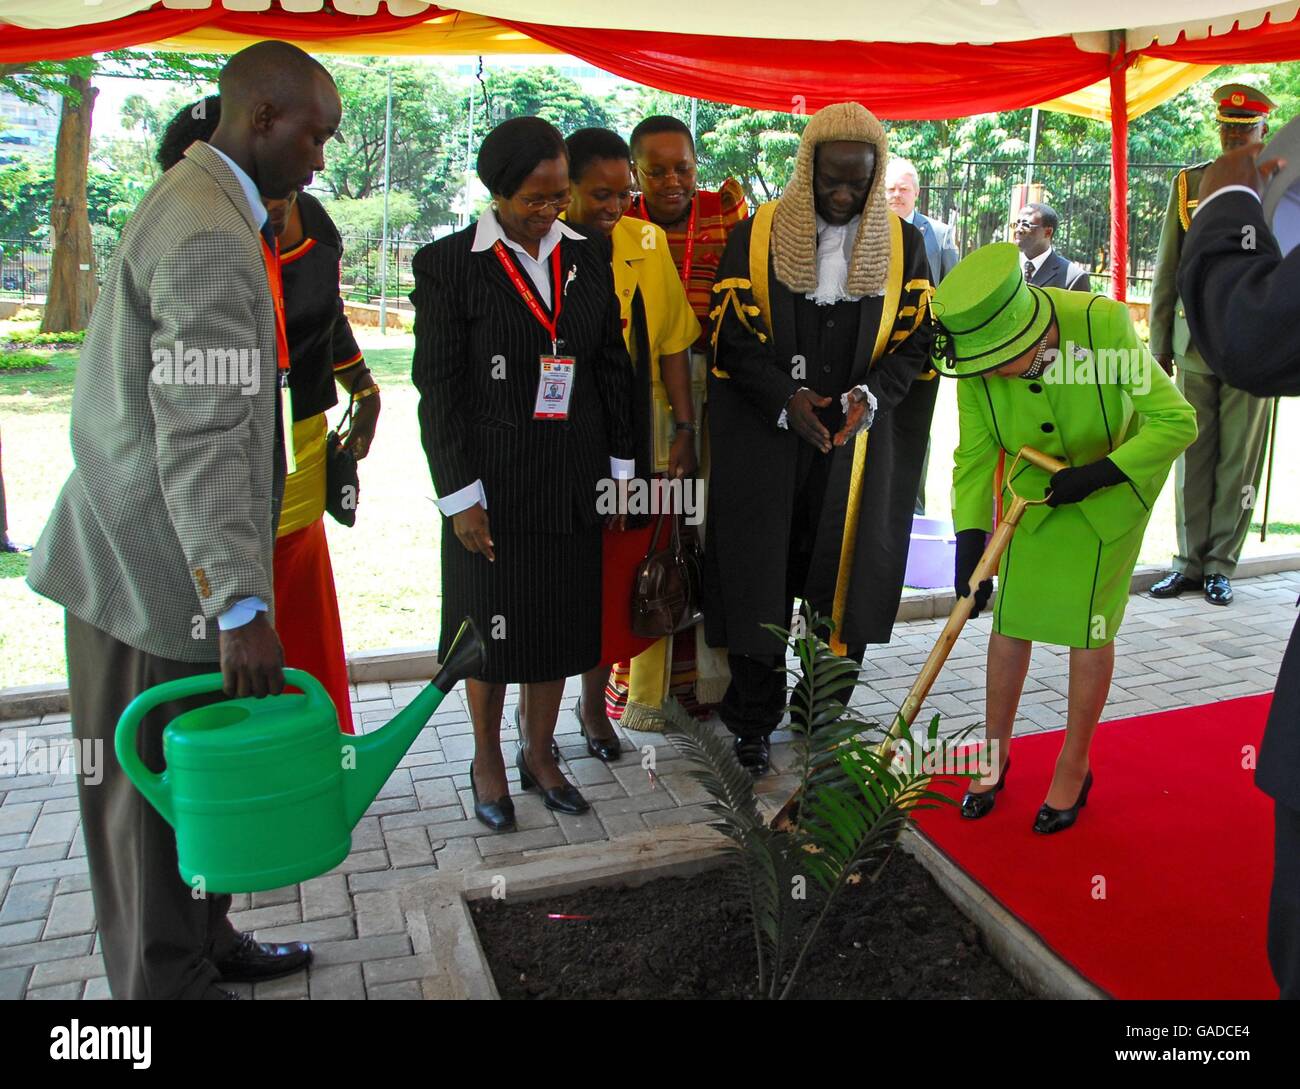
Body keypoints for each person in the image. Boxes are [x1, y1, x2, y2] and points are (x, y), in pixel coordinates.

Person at [25, 40, 336, 999]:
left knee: (198, 782)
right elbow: (203, 434)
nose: (321, 159)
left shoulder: (203, 200)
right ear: (262, 118)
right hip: (153, 574)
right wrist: (239, 603)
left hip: (159, 559)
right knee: (152, 803)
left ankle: (207, 937)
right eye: (315, 136)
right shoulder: (207, 231)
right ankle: (164, 989)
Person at [411, 117, 634, 831]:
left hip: (573, 475)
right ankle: (486, 759)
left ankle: (540, 753)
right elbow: (439, 390)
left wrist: (621, 470)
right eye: (534, 199)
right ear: (498, 193)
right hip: (493, 485)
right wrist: (459, 497)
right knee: (489, 627)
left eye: (559, 196)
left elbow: (611, 366)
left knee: (559, 622)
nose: (549, 211)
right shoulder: (450, 264)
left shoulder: (588, 255)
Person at [704, 102, 937, 777]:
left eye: (857, 183)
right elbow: (728, 336)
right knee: (760, 576)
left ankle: (823, 713)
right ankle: (752, 721)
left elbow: (918, 341)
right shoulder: (755, 236)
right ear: (807, 170)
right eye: (831, 180)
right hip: (769, 439)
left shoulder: (904, 244)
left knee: (844, 575)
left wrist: (870, 396)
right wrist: (785, 398)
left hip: (855, 444)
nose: (842, 195)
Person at [937, 242, 1196, 832]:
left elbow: (1177, 420)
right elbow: (973, 458)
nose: (990, 373)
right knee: (1010, 622)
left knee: (1089, 627)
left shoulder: (1102, 326)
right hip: (1031, 499)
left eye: (1002, 360)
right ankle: (994, 754)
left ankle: (1074, 764)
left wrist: (1098, 475)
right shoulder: (975, 358)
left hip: (1109, 496)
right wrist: (971, 545)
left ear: (1031, 330)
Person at [158, 96, 381, 736]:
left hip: (299, 452)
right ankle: (233, 757)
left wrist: (364, 388)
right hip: (214, 468)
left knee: (298, 608)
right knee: (224, 618)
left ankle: (315, 746)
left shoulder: (314, 223)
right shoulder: (197, 236)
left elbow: (325, 316)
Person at [1176, 132, 1300, 998]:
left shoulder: (1221, 186)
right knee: (1200, 463)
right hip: (1200, 349)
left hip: (1241, 324)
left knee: (1233, 471)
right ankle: (1195, 555)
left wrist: (1226, 203)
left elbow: (1254, 332)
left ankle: (1217, 556)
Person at [563, 127, 702, 744]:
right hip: (560, 438)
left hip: (638, 437)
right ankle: (536, 718)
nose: (617, 206)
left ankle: (594, 707)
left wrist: (684, 428)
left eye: (624, 194)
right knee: (562, 575)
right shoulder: (541, 244)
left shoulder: (645, 241)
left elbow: (673, 344)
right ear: (565, 187)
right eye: (603, 194)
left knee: (618, 573)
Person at [1148, 84, 1277, 608]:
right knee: (1191, 456)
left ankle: (1221, 563)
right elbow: (1168, 267)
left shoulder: (1284, 184)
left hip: (1255, 344)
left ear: (1264, 131)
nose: (1233, 139)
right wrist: (1160, 343)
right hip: (1195, 340)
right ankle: (1187, 562)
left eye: (1243, 131)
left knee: (1237, 460)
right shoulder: (1191, 183)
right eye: (1227, 130)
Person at [885, 155, 959, 515]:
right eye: (890, 189)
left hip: (921, 357)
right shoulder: (869, 230)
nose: (896, 195)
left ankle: (912, 507)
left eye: (903, 189)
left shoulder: (939, 235)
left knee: (914, 428)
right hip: (877, 351)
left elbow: (952, 291)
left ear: (916, 192)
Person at [1015, 202, 1091, 291]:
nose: (1018, 230)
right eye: (1017, 224)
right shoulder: (1006, 265)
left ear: (1048, 232)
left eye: (1026, 225)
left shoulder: (1073, 277)